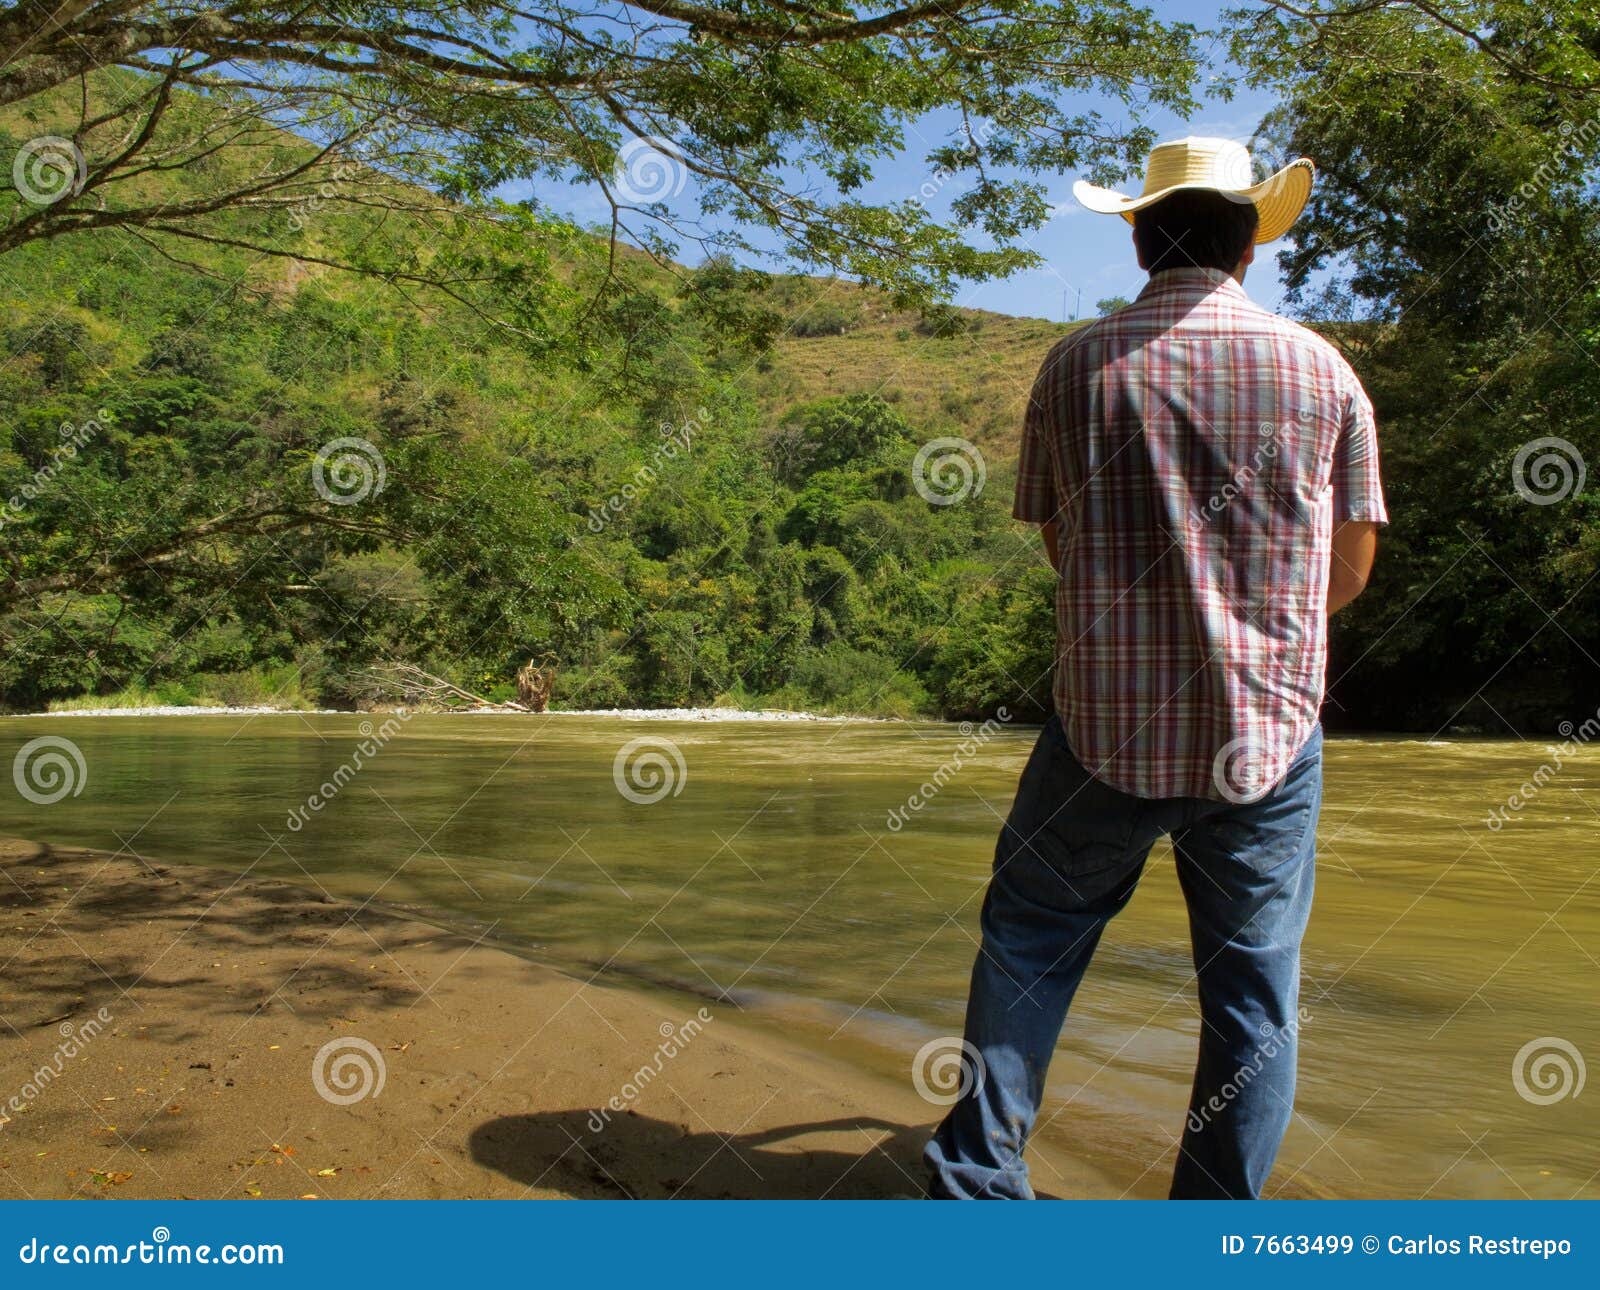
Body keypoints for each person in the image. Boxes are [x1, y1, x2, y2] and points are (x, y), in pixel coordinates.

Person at [924, 137, 1388, 1200]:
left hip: (1103, 723)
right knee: (1250, 993)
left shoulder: (1074, 365)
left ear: (1138, 235)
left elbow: (1059, 541)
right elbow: (1350, 568)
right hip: (1263, 734)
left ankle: (979, 1184)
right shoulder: (1322, 369)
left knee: (1032, 937)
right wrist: (1252, 621)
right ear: (1249, 246)